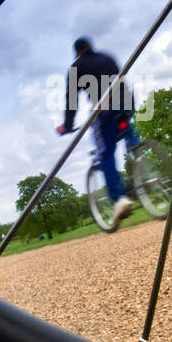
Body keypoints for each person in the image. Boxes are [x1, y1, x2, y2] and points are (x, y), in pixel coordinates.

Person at [56, 37, 141, 226]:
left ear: (77, 52)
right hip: (128, 102)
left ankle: (120, 199)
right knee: (125, 125)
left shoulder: (76, 68)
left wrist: (67, 125)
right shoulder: (107, 57)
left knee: (105, 153)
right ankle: (138, 151)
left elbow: (72, 101)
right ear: (90, 47)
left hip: (106, 109)